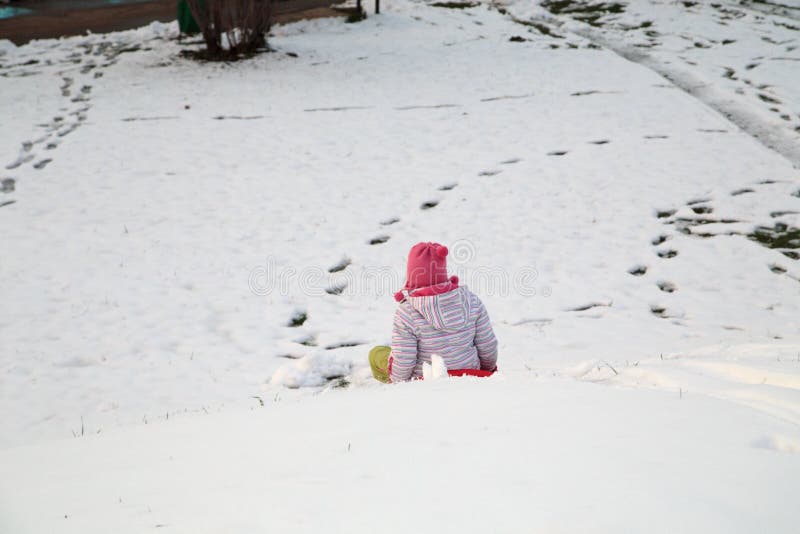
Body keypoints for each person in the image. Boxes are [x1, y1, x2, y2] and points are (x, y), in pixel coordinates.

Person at [369, 241, 498, 383]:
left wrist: (397, 383)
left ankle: (385, 389)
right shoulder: (471, 301)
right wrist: (486, 372)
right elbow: (488, 345)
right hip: (470, 376)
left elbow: (404, 359)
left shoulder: (407, 312)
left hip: (427, 381)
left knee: (376, 354)